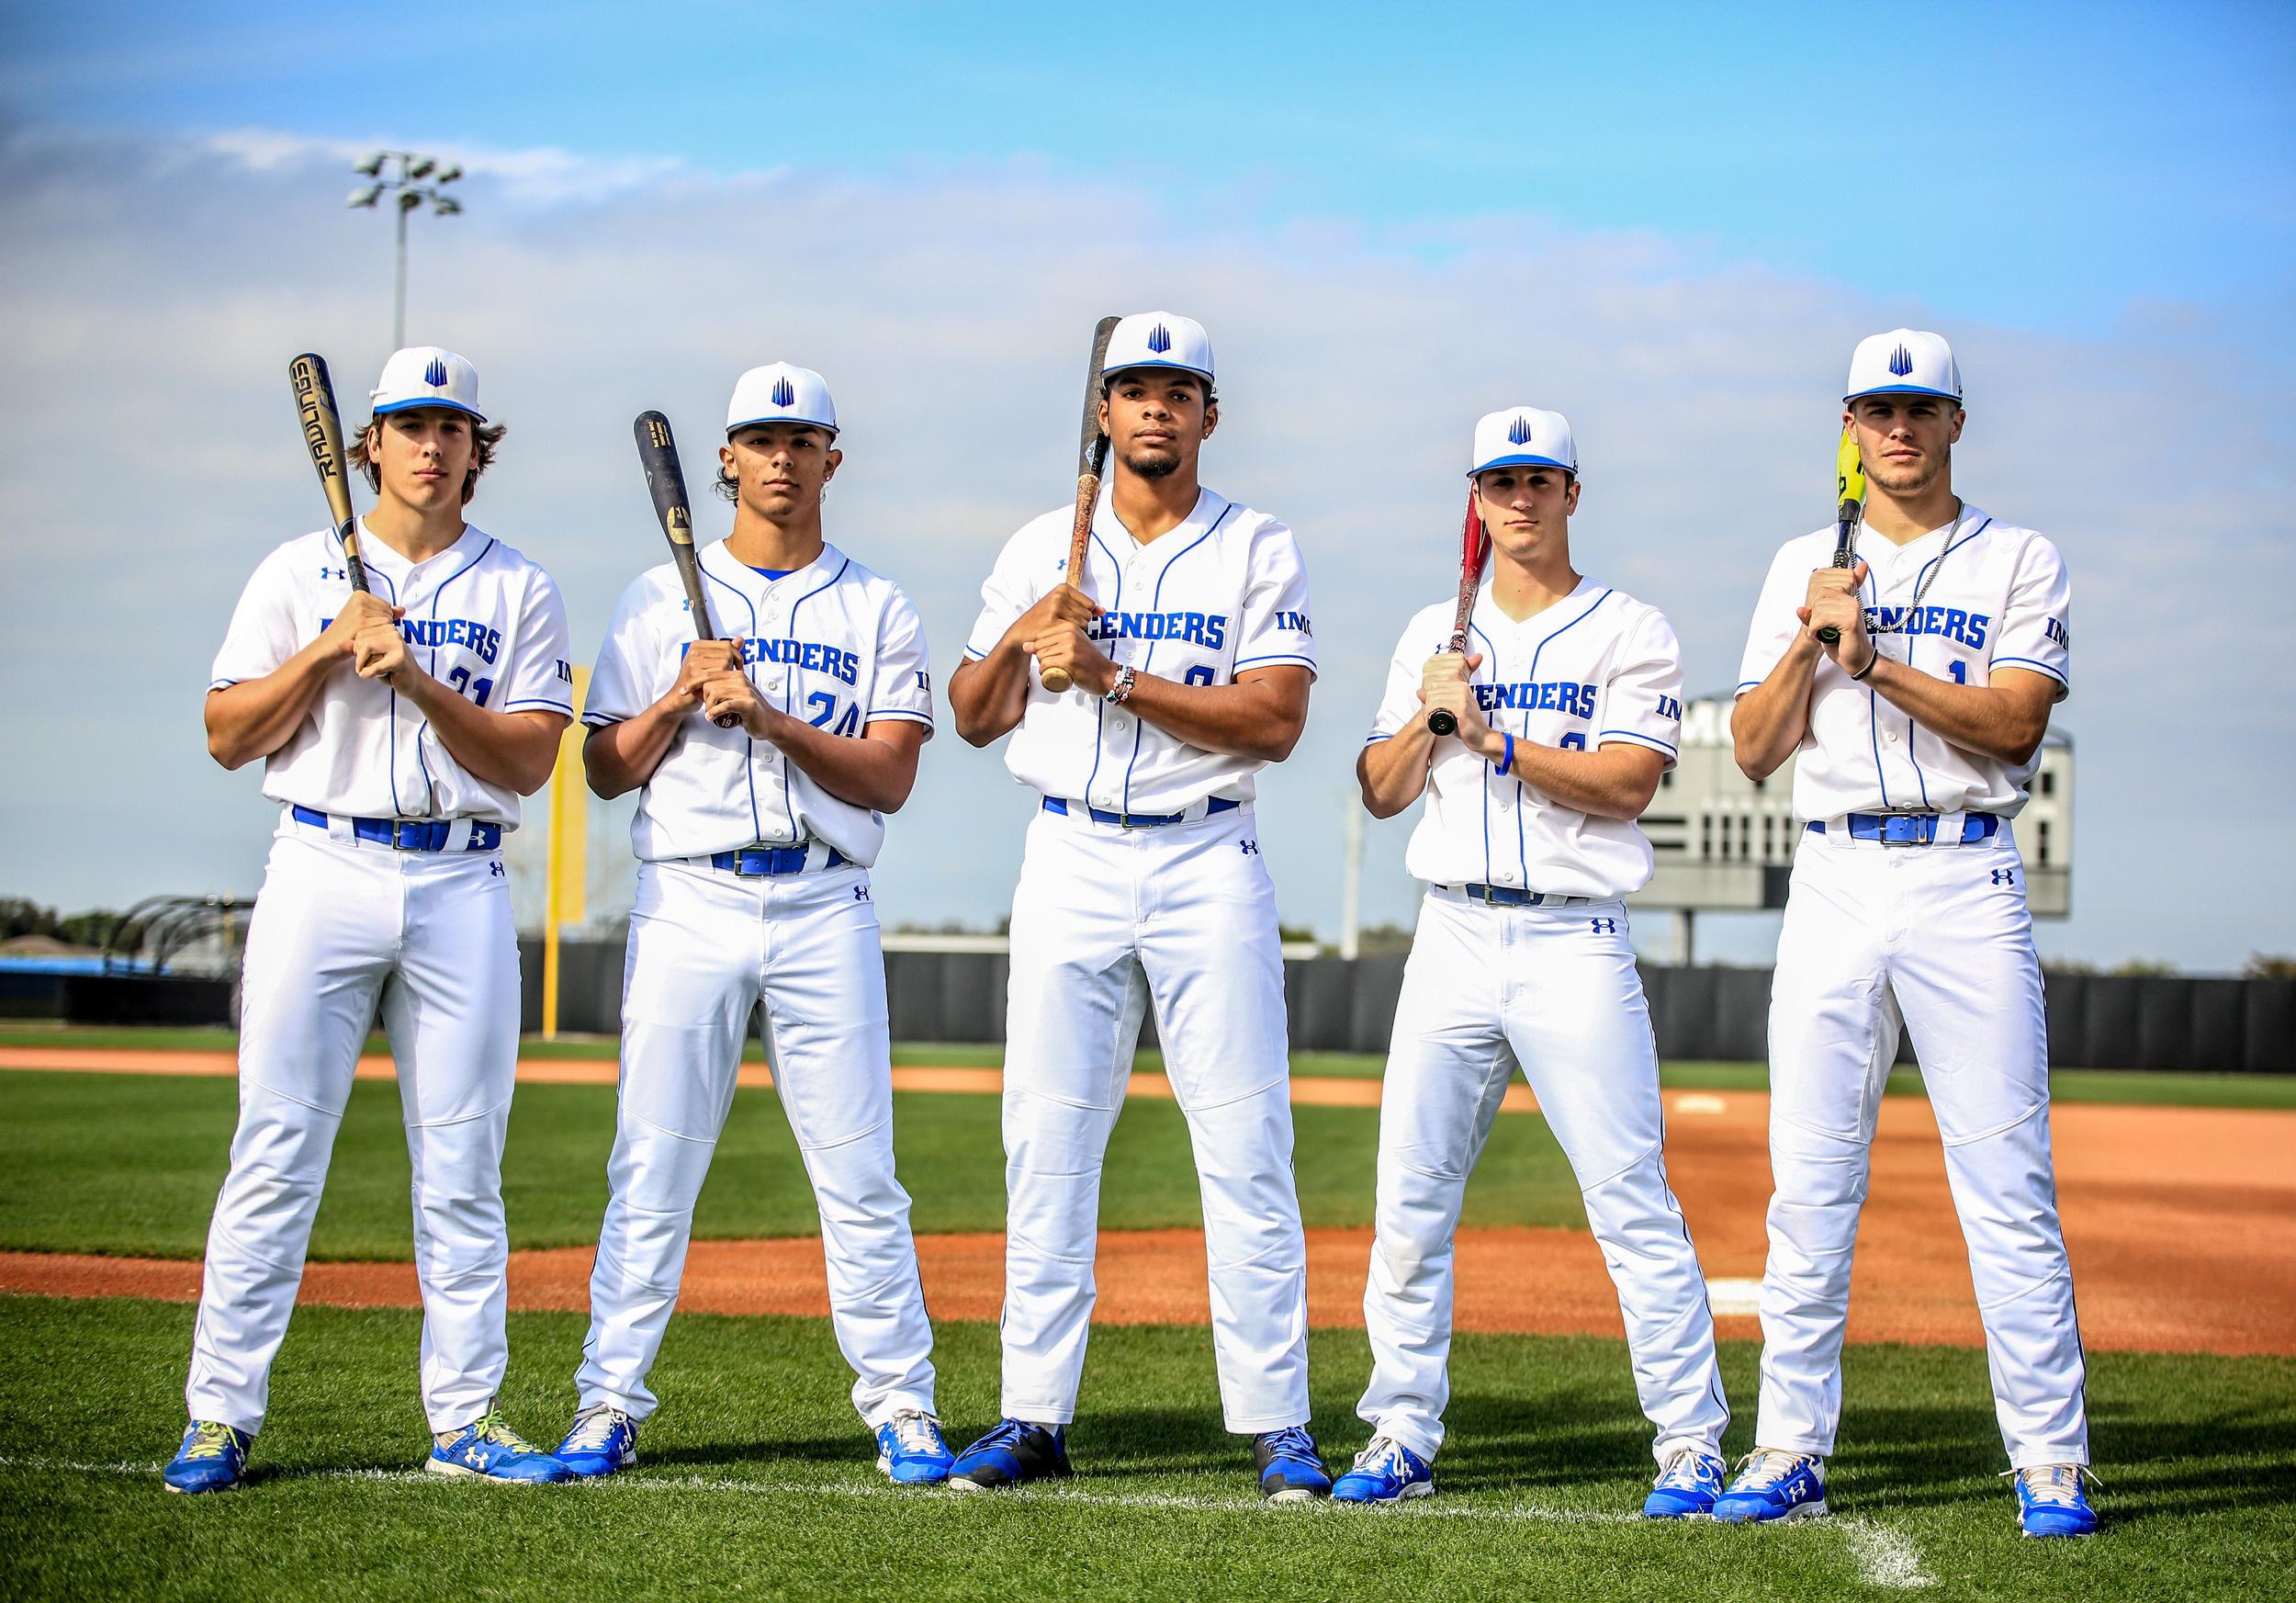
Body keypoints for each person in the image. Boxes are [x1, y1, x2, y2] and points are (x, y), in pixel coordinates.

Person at [168, 347, 575, 1493]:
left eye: (451, 427)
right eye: (408, 425)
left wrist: (416, 679)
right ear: (371, 444)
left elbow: (528, 761)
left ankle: (466, 1416)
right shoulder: (296, 570)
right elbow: (226, 733)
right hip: (321, 862)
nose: (430, 445)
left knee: (463, 1160)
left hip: (460, 878)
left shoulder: (518, 585)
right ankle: (218, 1413)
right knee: (277, 1146)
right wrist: (323, 645)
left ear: (477, 450)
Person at [1718, 329, 2097, 1539]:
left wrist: (1871, 660)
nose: (1898, 428)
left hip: (1963, 875)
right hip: (1833, 872)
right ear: (1850, 426)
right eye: (1878, 410)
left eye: (1920, 408)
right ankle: (1788, 1446)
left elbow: (2015, 725)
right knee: (1810, 1183)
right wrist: (1807, 636)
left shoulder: (2020, 556)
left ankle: (2051, 1458)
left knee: (2006, 1182)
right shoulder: (1801, 563)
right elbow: (1753, 747)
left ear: (1954, 423)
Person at [944, 312, 1327, 1503]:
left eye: (1178, 388)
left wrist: (1112, 674)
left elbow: (1275, 719)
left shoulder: (1256, 544)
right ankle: (1032, 1414)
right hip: (1067, 852)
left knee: (1244, 1138)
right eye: (1134, 388)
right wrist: (1028, 634)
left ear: (1210, 414)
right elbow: (972, 713)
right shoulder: (1038, 547)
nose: (1156, 406)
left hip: (1205, 854)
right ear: (1103, 412)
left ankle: (1277, 1421)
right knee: (1046, 1136)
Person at [553, 364, 951, 1485]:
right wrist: (678, 696)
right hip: (689, 896)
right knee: (652, 1161)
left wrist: (768, 719)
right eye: (761, 440)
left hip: (824, 898)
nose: (781, 458)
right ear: (725, 459)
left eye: (801, 439)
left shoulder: (877, 605)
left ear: (832, 458)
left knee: (860, 1171)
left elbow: (889, 777)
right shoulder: (654, 600)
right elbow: (601, 769)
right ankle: (606, 1399)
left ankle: (903, 1402)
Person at [1340, 407, 1729, 1514]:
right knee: (1409, 1199)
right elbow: (1377, 790)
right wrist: (1429, 716)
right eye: (1500, 481)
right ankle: (1399, 1429)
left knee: (1629, 1196)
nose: (1519, 498)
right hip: (1451, 932)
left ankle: (1690, 1438)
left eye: (1537, 479)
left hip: (1573, 937)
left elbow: (1628, 783)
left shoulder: (1629, 627)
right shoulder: (1434, 632)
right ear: (1476, 498)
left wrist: (1493, 738)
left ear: (1570, 492)